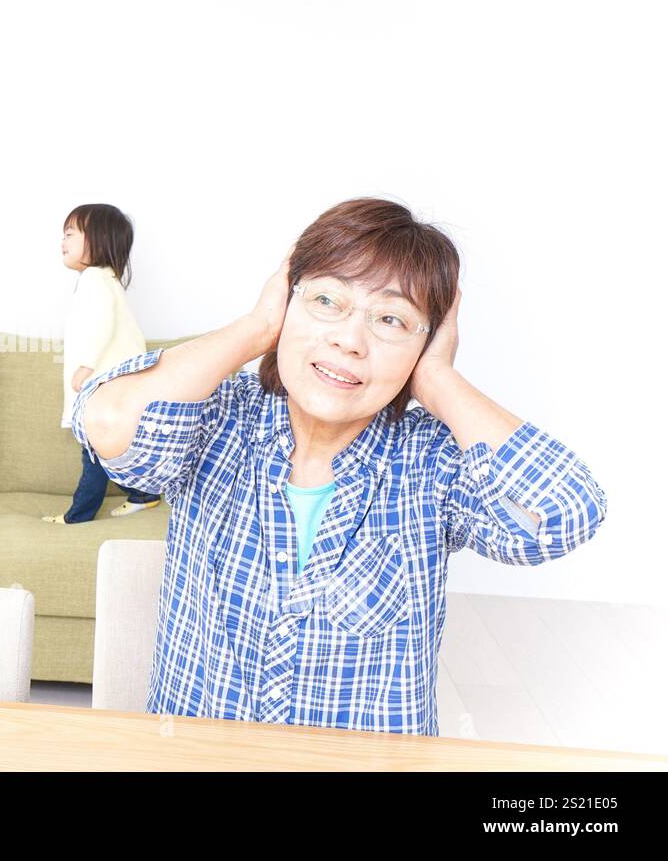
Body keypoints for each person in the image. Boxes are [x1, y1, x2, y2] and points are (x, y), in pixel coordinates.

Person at [72, 198, 607, 734]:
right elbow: (109, 423)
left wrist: (439, 380)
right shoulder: (218, 418)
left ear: (427, 345)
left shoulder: (432, 460)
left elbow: (563, 516)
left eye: (391, 319)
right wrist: (257, 327)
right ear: (287, 303)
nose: (350, 341)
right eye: (327, 300)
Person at [43, 203, 161, 525]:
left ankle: (78, 515)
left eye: (69, 234)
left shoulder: (94, 279)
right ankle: (144, 494)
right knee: (106, 450)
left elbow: (100, 324)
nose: (62, 241)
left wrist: (85, 365)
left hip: (101, 386)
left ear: (96, 240)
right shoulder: (108, 281)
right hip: (115, 388)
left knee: (94, 452)